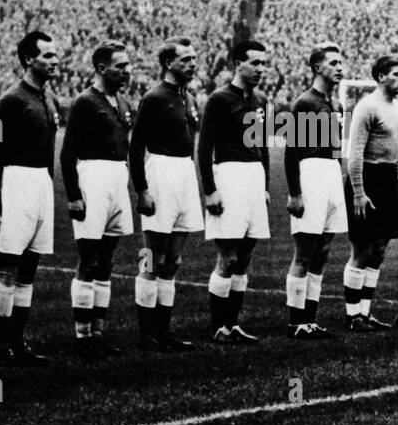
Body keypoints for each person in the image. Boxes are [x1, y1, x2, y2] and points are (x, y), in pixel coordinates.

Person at [0, 31, 61, 363]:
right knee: (7, 266)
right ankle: (0, 343)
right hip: (14, 181)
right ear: (29, 60)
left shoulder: (49, 98)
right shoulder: (9, 100)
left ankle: (17, 341)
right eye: (47, 55)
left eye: (54, 55)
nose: (54, 60)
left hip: (41, 183)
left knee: (30, 266)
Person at [61, 40, 136, 357]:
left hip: (118, 177)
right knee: (88, 258)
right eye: (120, 66)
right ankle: (82, 335)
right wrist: (74, 196)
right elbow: (67, 154)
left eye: (128, 65)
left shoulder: (122, 100)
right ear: (102, 68)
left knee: (107, 258)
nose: (127, 71)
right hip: (92, 177)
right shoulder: (85, 102)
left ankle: (98, 332)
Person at [129, 38, 202, 352]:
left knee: (173, 260)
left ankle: (163, 331)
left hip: (185, 173)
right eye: (186, 59)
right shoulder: (155, 96)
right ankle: (147, 334)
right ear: (169, 62)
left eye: (194, 58)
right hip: (160, 172)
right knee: (150, 258)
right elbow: (135, 147)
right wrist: (142, 189)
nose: (193, 64)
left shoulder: (187, 95)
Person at [199, 39, 271, 345]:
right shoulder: (219, 99)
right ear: (237, 63)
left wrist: (266, 185)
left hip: (254, 178)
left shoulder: (260, 100)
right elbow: (204, 148)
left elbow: (262, 145)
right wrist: (210, 190)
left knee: (245, 257)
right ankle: (219, 327)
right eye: (254, 63)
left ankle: (232, 324)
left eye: (263, 64)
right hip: (228, 175)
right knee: (227, 258)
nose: (260, 69)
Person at [283, 43, 348, 339]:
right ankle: (297, 321)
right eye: (333, 63)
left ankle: (310, 318)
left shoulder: (336, 105)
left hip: (332, 174)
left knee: (322, 251)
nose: (339, 67)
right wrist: (295, 193)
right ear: (317, 68)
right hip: (310, 175)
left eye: (340, 63)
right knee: (304, 252)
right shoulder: (304, 103)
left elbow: (336, 150)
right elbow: (291, 152)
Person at [342, 53, 398, 332]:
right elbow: (354, 153)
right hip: (368, 179)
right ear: (381, 76)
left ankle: (366, 313)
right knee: (362, 248)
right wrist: (358, 191)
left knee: (379, 249)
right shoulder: (367, 106)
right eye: (397, 74)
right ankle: (353, 314)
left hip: (389, 182)